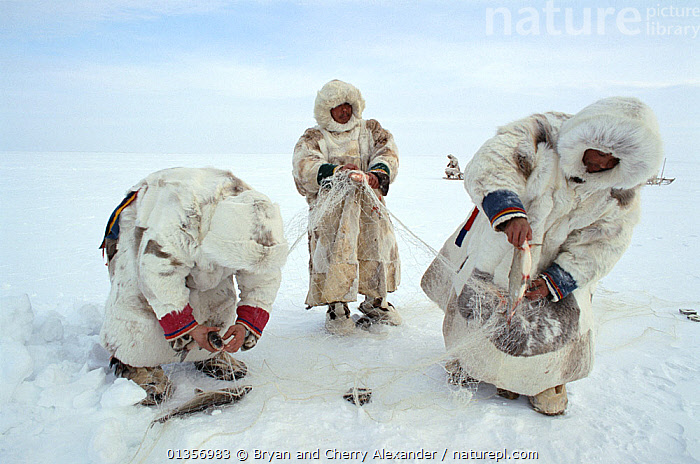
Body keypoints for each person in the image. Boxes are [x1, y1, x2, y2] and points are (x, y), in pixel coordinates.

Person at [421, 97, 663, 415]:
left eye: (614, 161)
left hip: (554, 259)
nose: (603, 164)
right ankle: (470, 362)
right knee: (477, 305)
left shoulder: (619, 192)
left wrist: (556, 281)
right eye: (602, 153)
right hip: (499, 239)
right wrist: (509, 212)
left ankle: (547, 381)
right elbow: (493, 162)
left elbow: (604, 242)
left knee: (553, 326)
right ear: (588, 139)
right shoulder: (542, 133)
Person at [99, 167, 288, 404]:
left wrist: (245, 324)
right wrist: (186, 327)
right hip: (147, 219)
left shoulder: (259, 223)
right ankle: (133, 362)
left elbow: (264, 276)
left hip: (202, 231)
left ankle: (206, 351)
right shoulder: (179, 217)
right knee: (140, 292)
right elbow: (158, 274)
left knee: (214, 285)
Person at [292, 79, 401, 334]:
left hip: (369, 208)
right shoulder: (315, 136)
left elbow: (387, 152)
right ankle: (337, 307)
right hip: (331, 212)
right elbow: (304, 164)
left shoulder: (369, 130)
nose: (344, 111)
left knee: (375, 248)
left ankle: (376, 302)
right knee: (334, 253)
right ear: (325, 109)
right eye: (338, 106)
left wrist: (378, 172)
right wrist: (336, 171)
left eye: (348, 105)